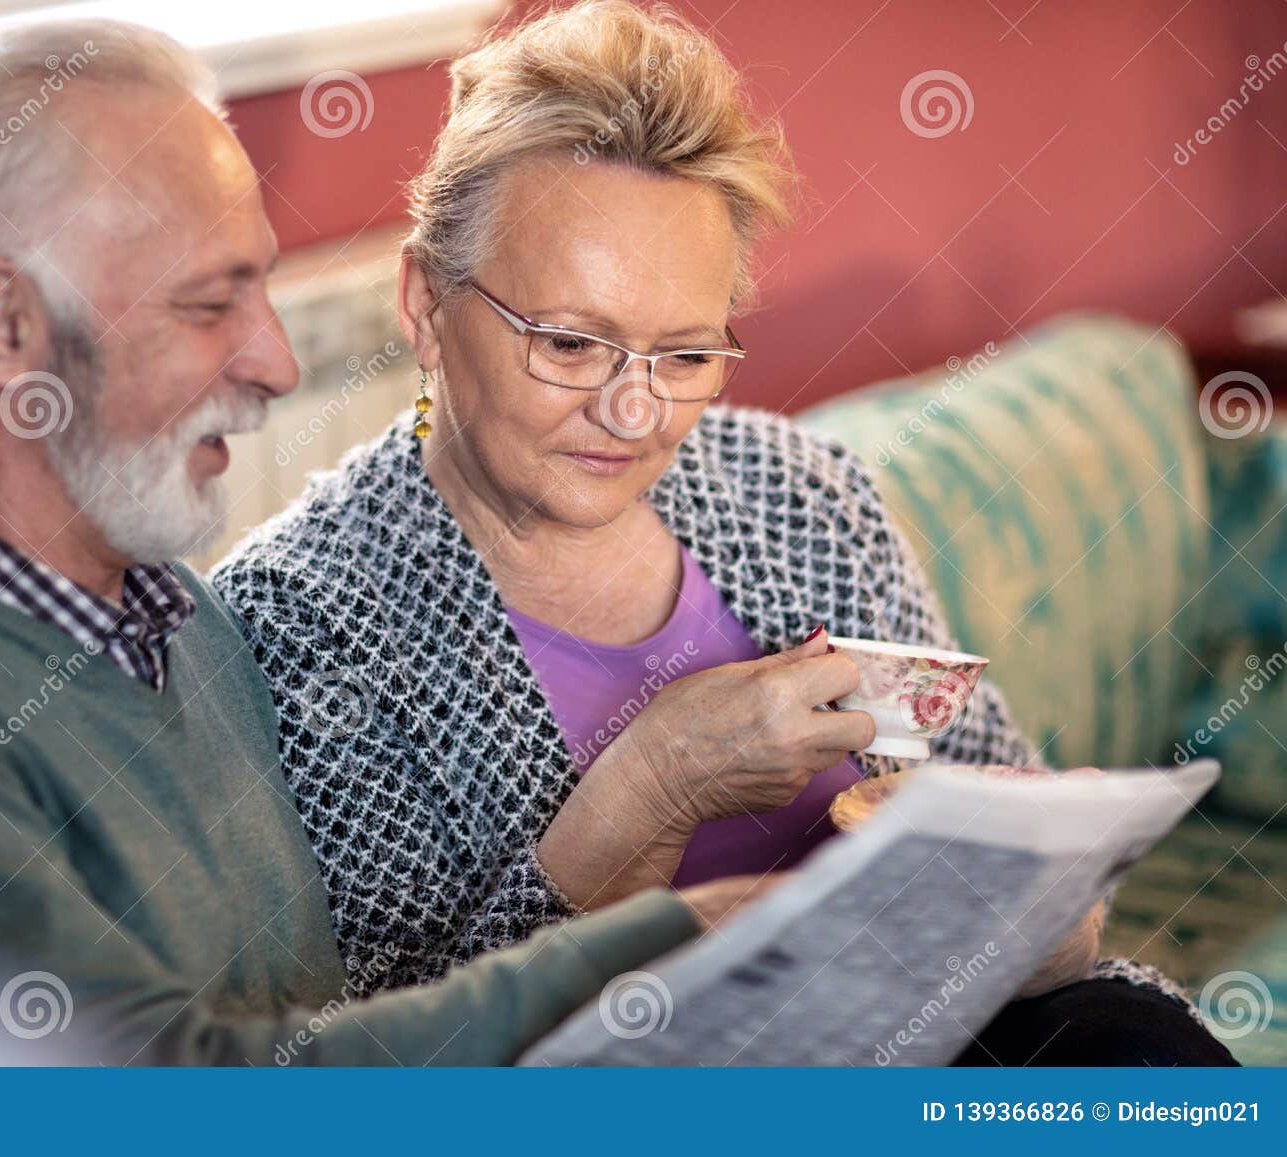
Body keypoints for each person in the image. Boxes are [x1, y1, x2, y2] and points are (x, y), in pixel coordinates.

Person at [0, 19, 765, 1067]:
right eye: (211, 304)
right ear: (5, 326)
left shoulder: (182, 619)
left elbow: (331, 1017)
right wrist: (678, 940)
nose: (277, 361)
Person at [215, 1, 1234, 1065]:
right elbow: (407, 1066)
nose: (634, 412)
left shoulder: (799, 490)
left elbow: (1007, 817)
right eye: (569, 343)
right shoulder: (301, 624)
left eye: (686, 354)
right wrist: (655, 782)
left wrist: (1043, 922)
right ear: (424, 302)